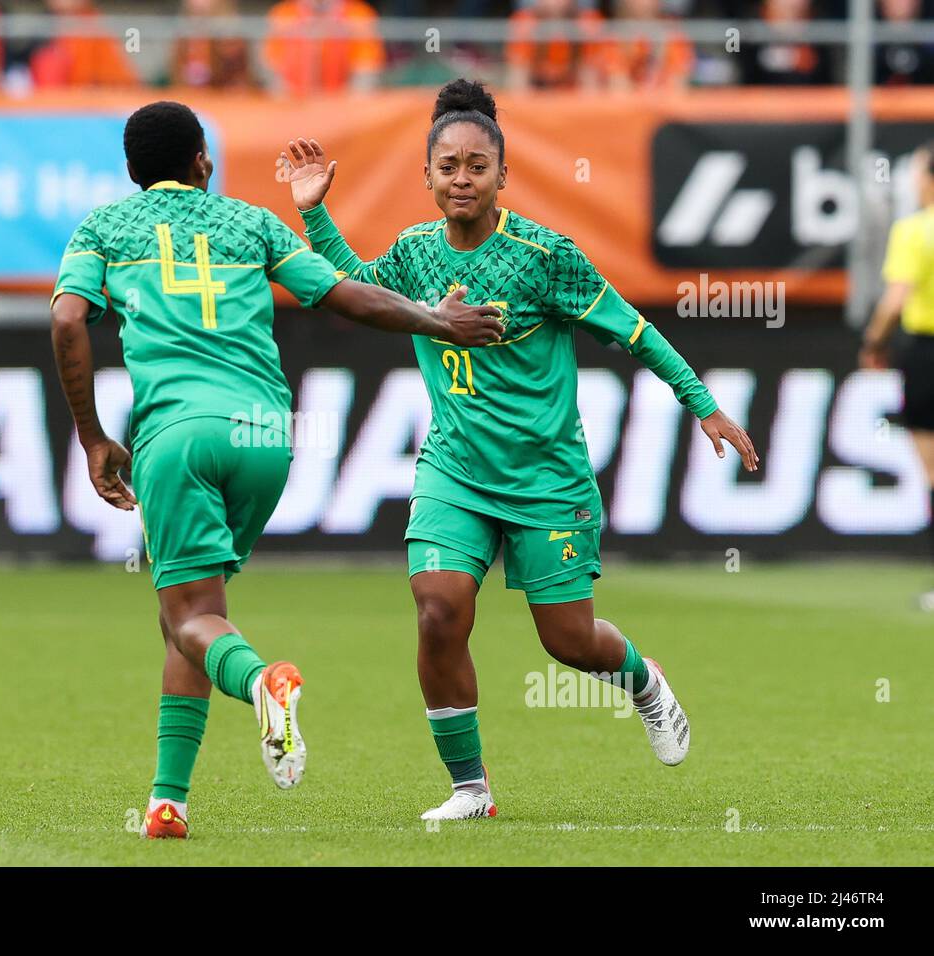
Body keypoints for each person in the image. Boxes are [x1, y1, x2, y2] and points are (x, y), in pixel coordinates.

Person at [281, 79, 759, 821]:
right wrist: (314, 210)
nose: (462, 178)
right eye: (448, 166)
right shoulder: (413, 251)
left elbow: (633, 329)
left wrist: (704, 405)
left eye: (477, 165)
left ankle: (642, 681)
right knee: (439, 610)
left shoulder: (546, 256)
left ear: (503, 175)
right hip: (455, 472)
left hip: (546, 479)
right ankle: (470, 789)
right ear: (428, 175)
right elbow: (356, 291)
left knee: (569, 643)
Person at [49, 100, 503, 839]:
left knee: (189, 615)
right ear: (203, 161)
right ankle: (169, 802)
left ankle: (262, 683)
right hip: (264, 435)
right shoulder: (251, 222)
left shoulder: (104, 227)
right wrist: (437, 319)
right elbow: (345, 295)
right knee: (199, 616)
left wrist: (92, 435)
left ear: (134, 172)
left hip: (177, 436)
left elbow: (68, 320)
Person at [860, 142, 934, 609]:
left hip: (926, 353)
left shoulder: (915, 230)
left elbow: (894, 299)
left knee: (932, 470)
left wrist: (873, 343)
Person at [262, 0, 386, 97]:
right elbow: (271, 63)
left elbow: (367, 66)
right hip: (294, 103)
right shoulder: (284, 13)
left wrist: (353, 100)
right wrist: (284, 97)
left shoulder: (358, 14)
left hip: (341, 104)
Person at [29, 0, 137, 88]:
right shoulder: (45, 29)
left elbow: (119, 83)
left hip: (89, 104)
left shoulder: (92, 29)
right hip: (52, 103)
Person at [167, 0, 257, 90]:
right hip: (191, 95)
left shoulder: (232, 39)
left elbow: (239, 81)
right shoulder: (183, 39)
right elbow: (177, 76)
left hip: (222, 96)